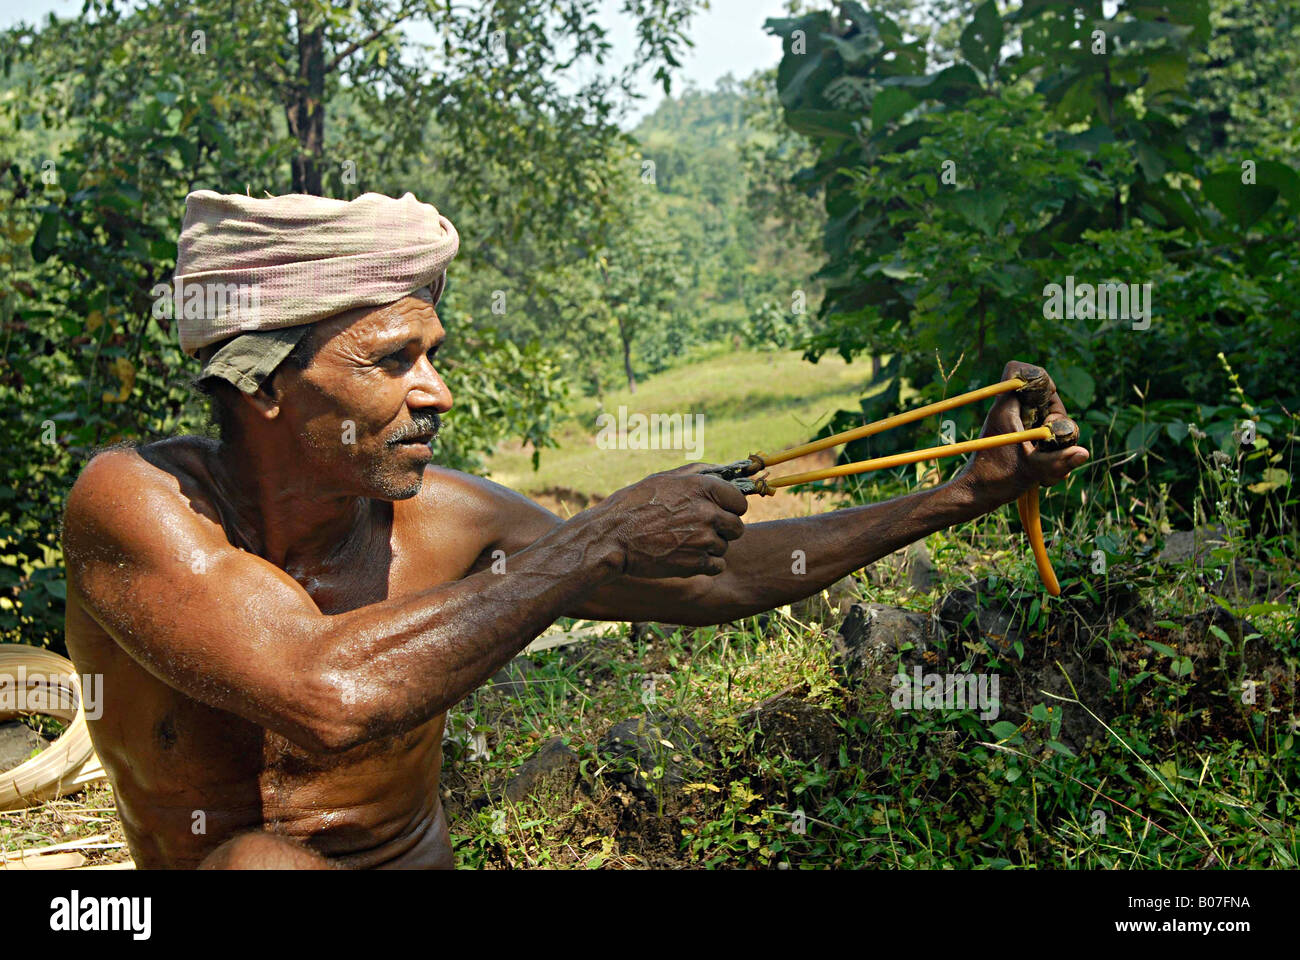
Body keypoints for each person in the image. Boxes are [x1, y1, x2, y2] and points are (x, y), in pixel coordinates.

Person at [61, 190, 1090, 868]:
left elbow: (717, 581)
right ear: (266, 386)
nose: (439, 393)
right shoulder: (135, 506)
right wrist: (593, 539)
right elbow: (326, 696)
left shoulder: (450, 521)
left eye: (436, 353)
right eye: (391, 361)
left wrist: (955, 497)